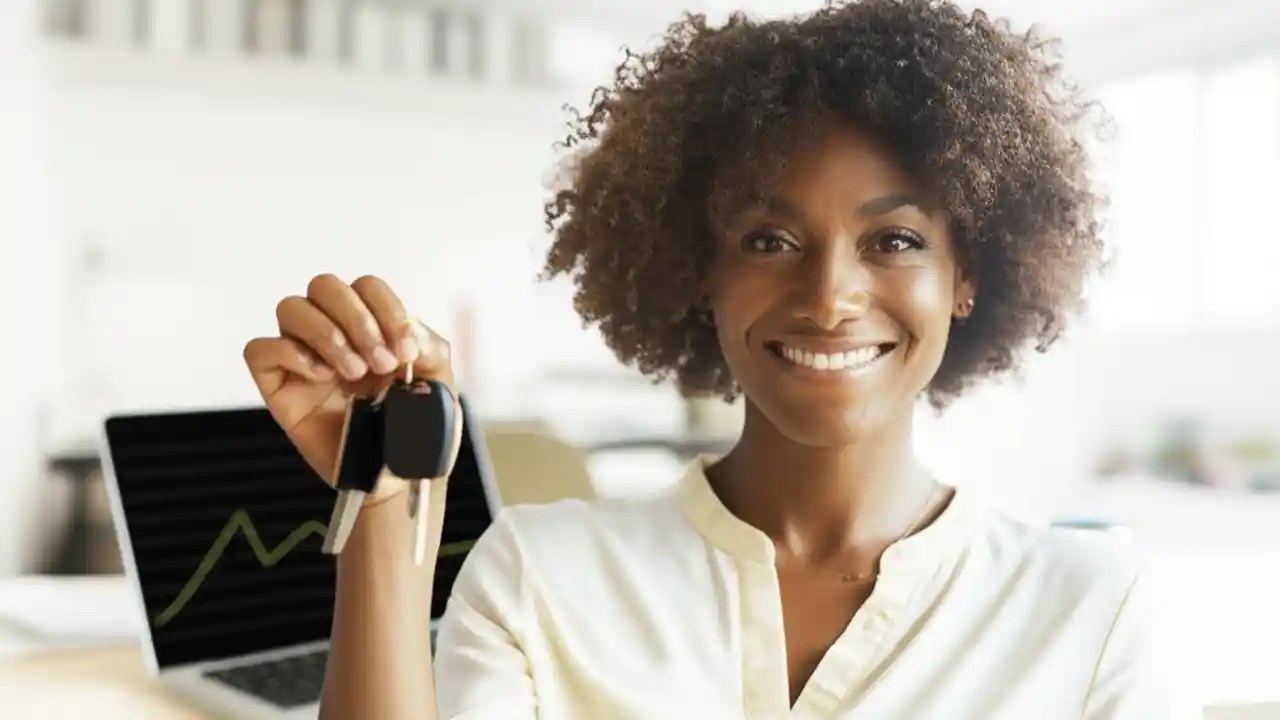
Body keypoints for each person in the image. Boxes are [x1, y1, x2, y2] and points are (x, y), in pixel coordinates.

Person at [244, 1, 1173, 717]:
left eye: (892, 240)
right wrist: (381, 501)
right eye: (770, 240)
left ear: (967, 275)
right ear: (700, 273)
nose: (829, 296)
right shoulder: (541, 575)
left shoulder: (1088, 606)